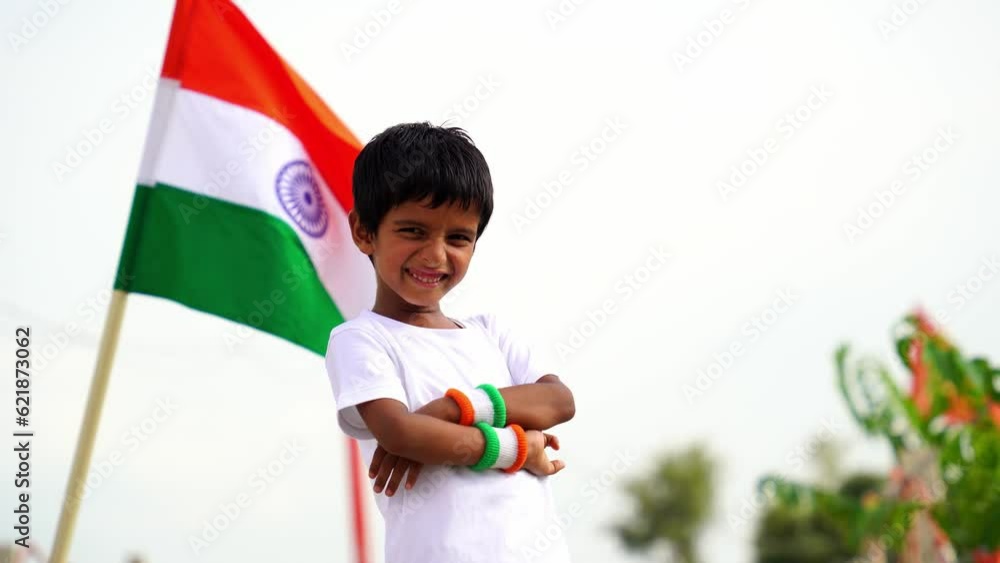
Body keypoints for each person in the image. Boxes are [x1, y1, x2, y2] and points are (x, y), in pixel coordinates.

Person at [325, 122, 576, 562]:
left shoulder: (491, 332)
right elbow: (400, 432)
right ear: (365, 232)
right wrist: (520, 448)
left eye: (458, 237)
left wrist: (450, 410)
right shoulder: (361, 340)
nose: (436, 254)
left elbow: (557, 401)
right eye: (413, 231)